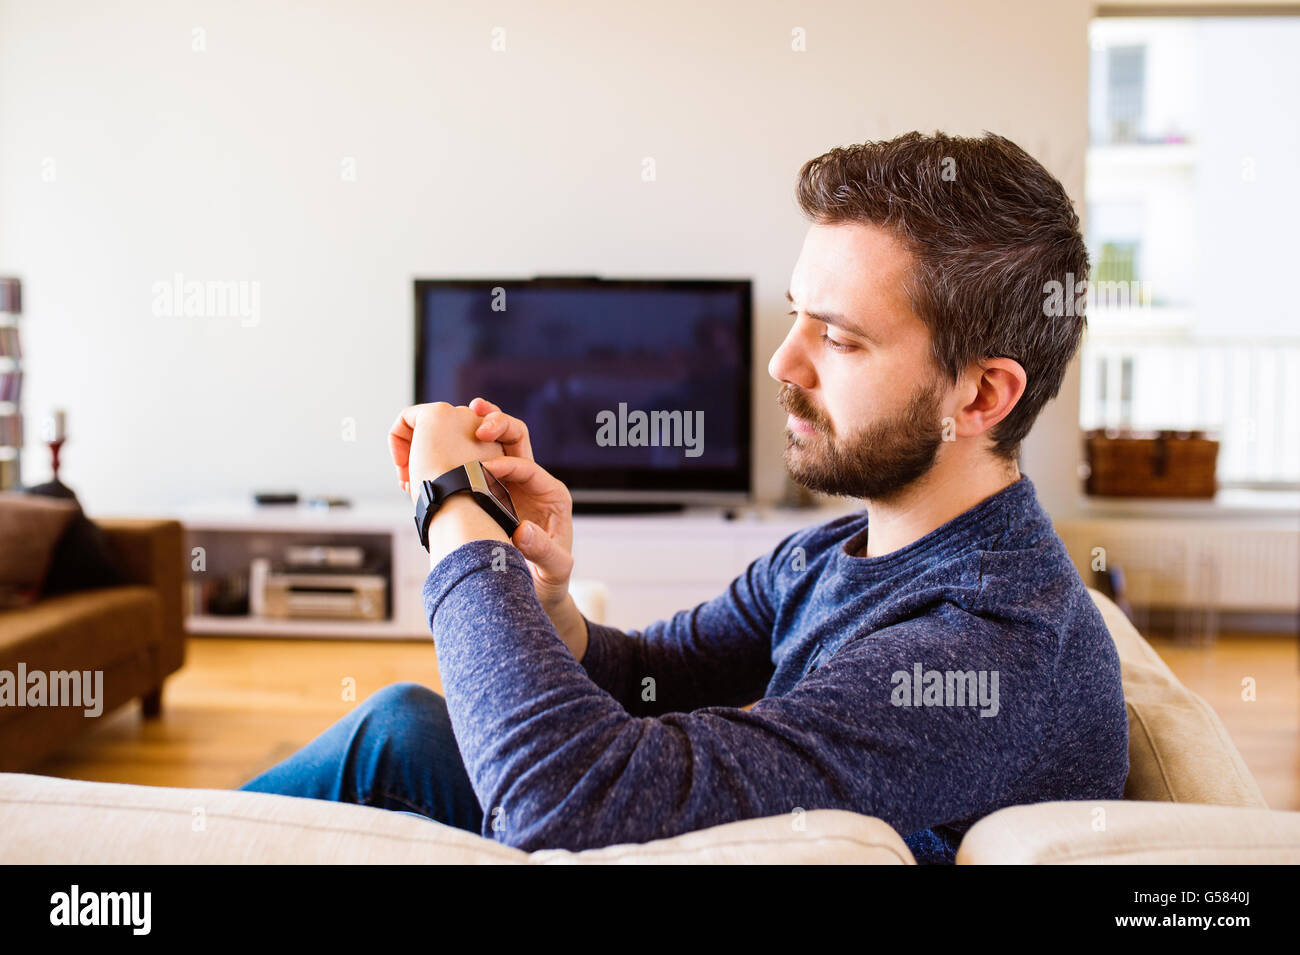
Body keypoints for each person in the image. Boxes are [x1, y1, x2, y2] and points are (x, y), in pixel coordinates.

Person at [239, 130, 1129, 865]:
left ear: (980, 397)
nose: (784, 363)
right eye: (795, 314)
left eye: (842, 339)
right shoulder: (837, 552)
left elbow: (562, 806)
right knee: (398, 728)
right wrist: (545, 593)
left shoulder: (983, 654)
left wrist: (453, 507)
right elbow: (643, 678)